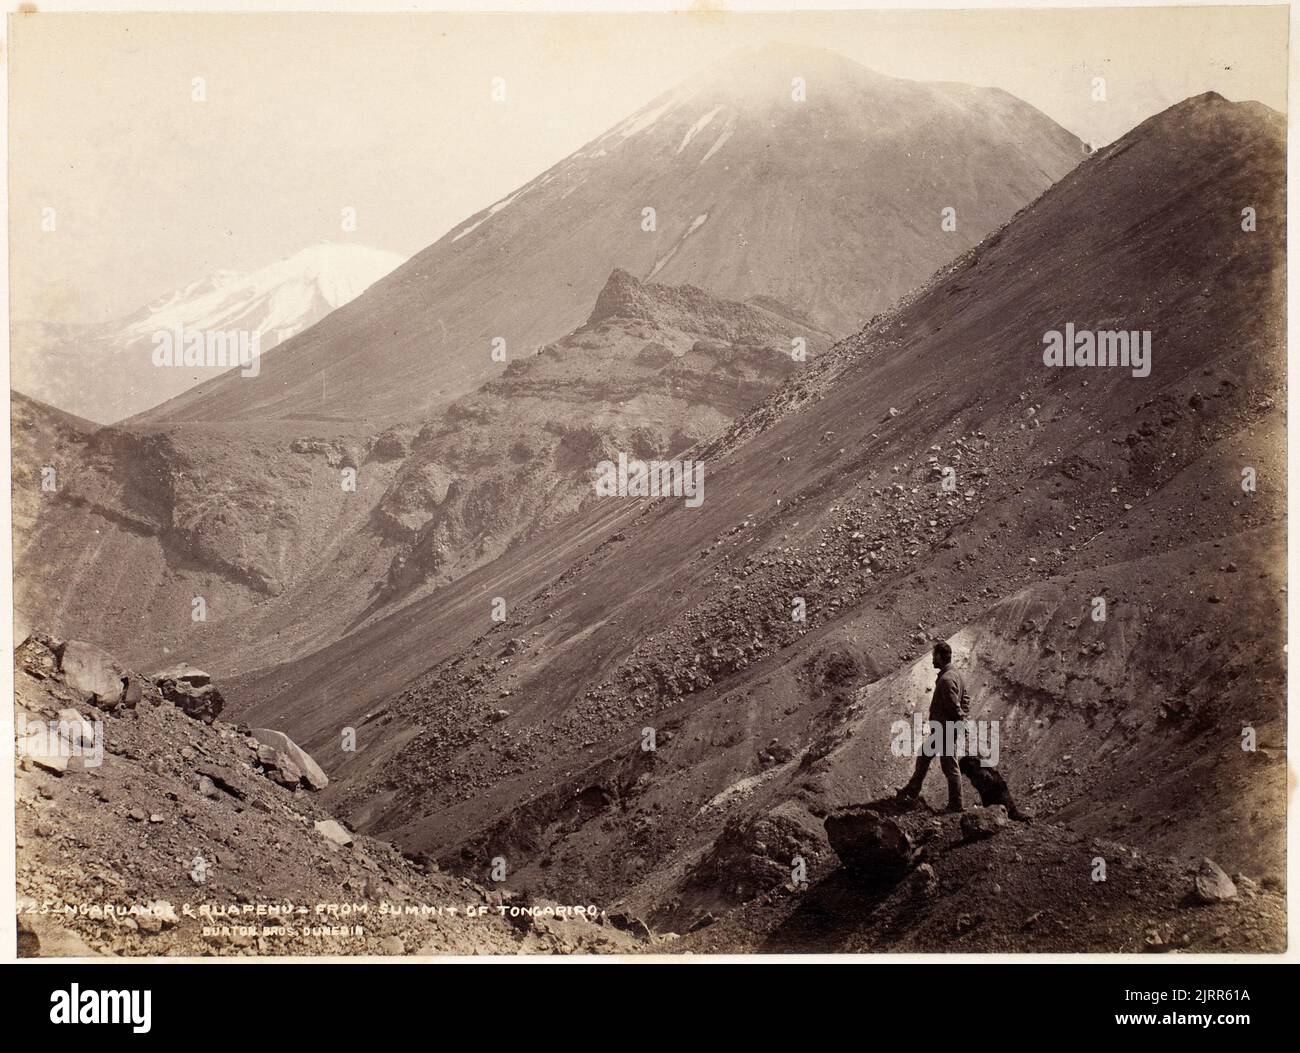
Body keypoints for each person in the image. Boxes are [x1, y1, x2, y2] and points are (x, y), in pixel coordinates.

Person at [896, 641, 969, 813]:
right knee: (924, 755)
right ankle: (912, 791)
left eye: (933, 656)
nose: (932, 660)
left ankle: (956, 805)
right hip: (944, 729)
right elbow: (965, 699)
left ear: (939, 656)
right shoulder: (956, 674)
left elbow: (953, 705)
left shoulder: (946, 679)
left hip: (945, 730)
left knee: (950, 767)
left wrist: (961, 720)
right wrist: (964, 717)